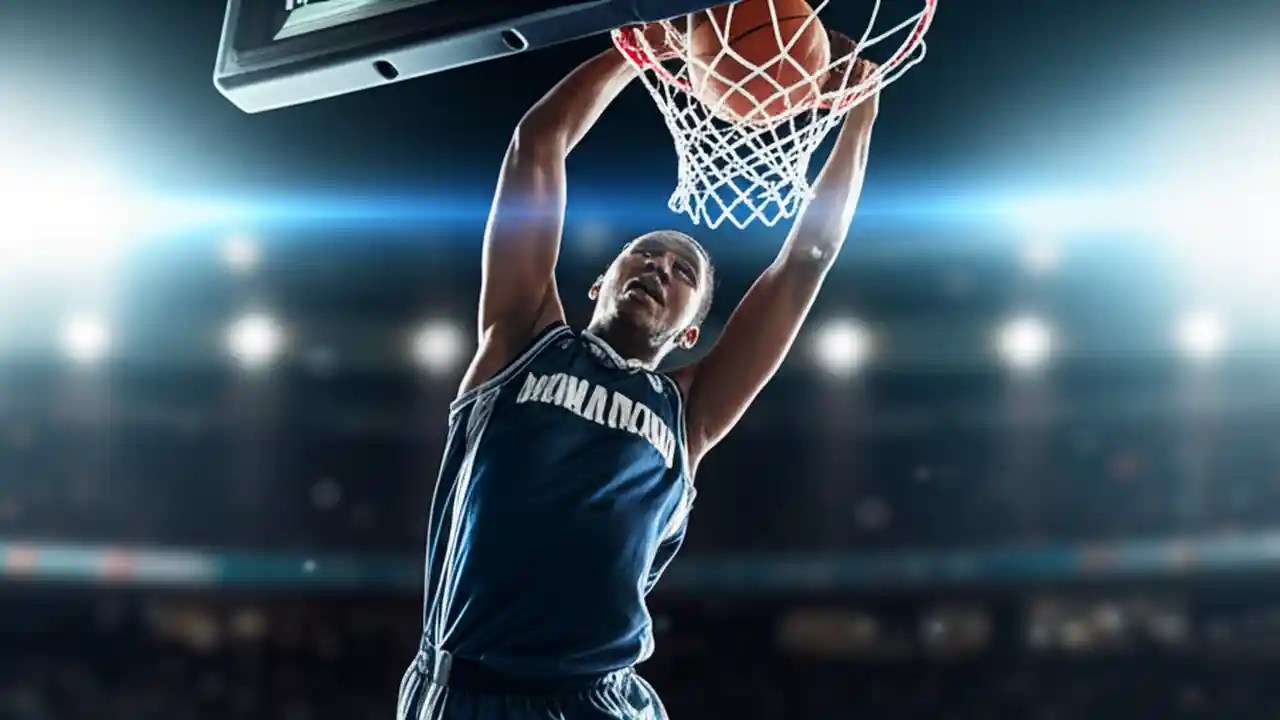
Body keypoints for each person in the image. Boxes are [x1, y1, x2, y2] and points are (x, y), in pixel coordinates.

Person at [397, 28, 880, 720]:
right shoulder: (521, 338)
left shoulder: (690, 409)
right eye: (646, 255)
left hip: (604, 699)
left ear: (689, 332)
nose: (659, 267)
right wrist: (639, 53)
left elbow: (808, 256)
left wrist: (859, 110)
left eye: (683, 273)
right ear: (599, 283)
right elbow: (538, 143)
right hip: (470, 691)